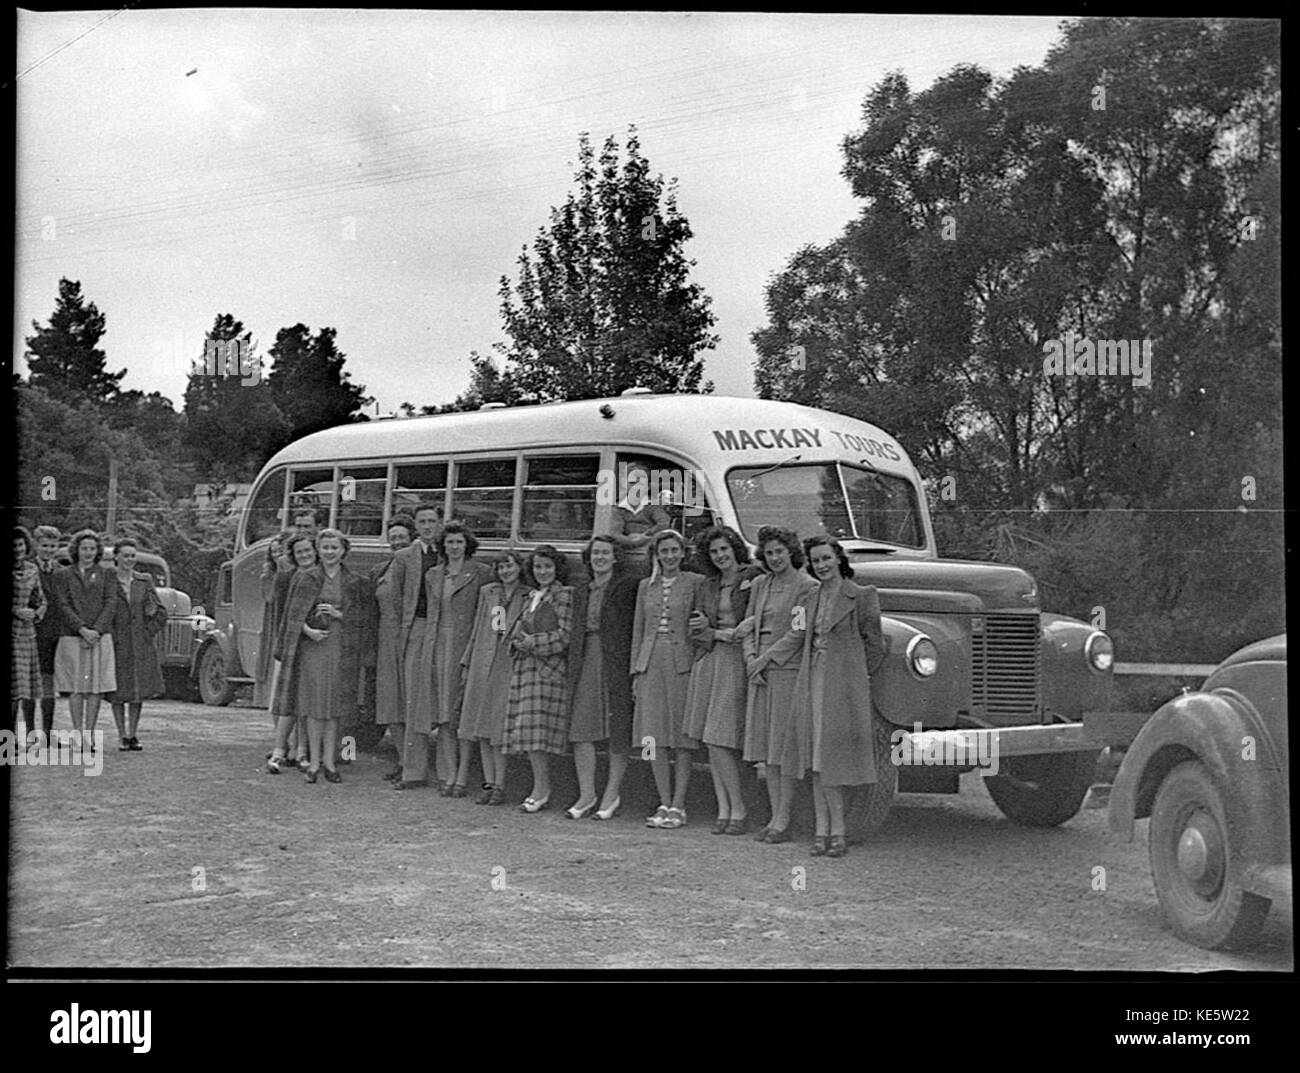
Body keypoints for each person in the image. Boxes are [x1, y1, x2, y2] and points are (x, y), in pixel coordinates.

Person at [781, 537, 884, 858]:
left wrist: (854, 676)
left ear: (839, 559)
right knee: (815, 760)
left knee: (832, 762)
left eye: (826, 558)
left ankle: (836, 831)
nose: (821, 565)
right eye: (815, 561)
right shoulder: (808, 596)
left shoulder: (862, 596)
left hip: (841, 687)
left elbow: (875, 644)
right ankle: (821, 831)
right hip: (811, 681)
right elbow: (796, 635)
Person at [272, 529, 374, 784]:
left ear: (343, 551)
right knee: (315, 707)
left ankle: (330, 761)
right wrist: (308, 631)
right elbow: (292, 617)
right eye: (325, 547)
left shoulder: (354, 581)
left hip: (340, 647)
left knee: (334, 708)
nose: (330, 552)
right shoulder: (306, 578)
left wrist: (340, 615)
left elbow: (364, 619)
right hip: (313, 648)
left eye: (334, 548)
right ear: (319, 550)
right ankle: (314, 762)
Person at [739, 526, 818, 844]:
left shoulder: (806, 586)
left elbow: (798, 632)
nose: (774, 558)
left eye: (779, 551)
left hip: (787, 670)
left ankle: (784, 818)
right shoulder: (760, 584)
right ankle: (774, 816)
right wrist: (750, 662)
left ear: (791, 552)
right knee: (765, 751)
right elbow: (747, 625)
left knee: (782, 749)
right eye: (769, 553)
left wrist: (767, 659)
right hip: (759, 672)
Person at [683, 525, 763, 834]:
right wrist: (716, 632)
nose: (720, 556)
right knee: (710, 739)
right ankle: (725, 808)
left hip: (736, 661)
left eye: (724, 549)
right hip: (710, 660)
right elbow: (696, 628)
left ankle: (739, 810)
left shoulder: (752, 577)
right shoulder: (707, 585)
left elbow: (757, 619)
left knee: (721, 739)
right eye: (714, 551)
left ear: (734, 549)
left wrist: (726, 631)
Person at [630, 529, 704, 829]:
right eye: (664, 551)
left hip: (681, 663)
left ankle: (679, 804)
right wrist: (636, 670)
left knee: (681, 737)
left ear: (683, 553)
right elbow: (638, 630)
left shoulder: (695, 583)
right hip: (651, 663)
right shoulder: (645, 586)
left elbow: (700, 622)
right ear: (656, 555)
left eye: (675, 550)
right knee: (653, 736)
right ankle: (663, 800)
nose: (670, 556)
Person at [564, 534, 639, 820]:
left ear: (615, 557)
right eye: (595, 553)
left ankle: (611, 792)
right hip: (586, 658)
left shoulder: (626, 586)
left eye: (605, 553)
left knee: (618, 726)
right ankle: (586, 794)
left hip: (615, 660)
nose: (600, 558)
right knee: (581, 728)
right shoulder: (582, 588)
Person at [502, 545, 573, 812]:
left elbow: (565, 635)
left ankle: (542, 789)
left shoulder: (563, 595)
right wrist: (519, 642)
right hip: (526, 669)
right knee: (530, 734)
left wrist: (533, 642)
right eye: (538, 567)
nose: (542, 572)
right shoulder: (532, 596)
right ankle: (539, 786)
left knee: (537, 734)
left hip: (547, 670)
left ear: (557, 569)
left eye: (547, 566)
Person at [458, 549, 532, 805]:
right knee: (481, 726)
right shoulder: (488, 592)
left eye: (510, 566)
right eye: (501, 568)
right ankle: (489, 783)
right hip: (483, 660)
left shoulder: (528, 595)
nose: (505, 572)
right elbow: (478, 627)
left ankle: (500, 784)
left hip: (507, 663)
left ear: (519, 568)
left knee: (497, 727)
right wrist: (467, 661)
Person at [425, 521, 493, 795]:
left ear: (468, 545)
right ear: (443, 546)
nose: (454, 547)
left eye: (459, 542)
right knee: (443, 714)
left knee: (460, 713)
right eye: (450, 542)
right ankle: (448, 773)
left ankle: (464, 774)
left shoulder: (481, 573)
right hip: (438, 644)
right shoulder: (433, 574)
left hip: (466, 644)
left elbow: (491, 610)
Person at [388, 503, 442, 790]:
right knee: (413, 700)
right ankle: (413, 770)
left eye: (432, 521)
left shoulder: (449, 552)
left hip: (444, 631)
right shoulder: (404, 557)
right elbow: (396, 600)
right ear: (416, 526)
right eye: (422, 521)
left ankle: (446, 772)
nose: (427, 526)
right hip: (418, 628)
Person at [49, 529, 119, 751]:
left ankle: (89, 734)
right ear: (76, 550)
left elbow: (110, 603)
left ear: (97, 551)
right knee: (77, 688)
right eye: (84, 548)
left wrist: (96, 630)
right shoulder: (63, 575)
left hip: (99, 638)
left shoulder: (108, 574)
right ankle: (78, 732)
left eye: (92, 548)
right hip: (72, 637)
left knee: (95, 688)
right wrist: (82, 629)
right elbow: (62, 605)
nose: (88, 552)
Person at [265, 532, 320, 772]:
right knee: (288, 698)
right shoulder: (290, 576)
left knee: (306, 700)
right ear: (294, 557)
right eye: (300, 552)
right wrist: (303, 630)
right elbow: (287, 614)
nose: (305, 555)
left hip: (314, 644)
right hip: (296, 642)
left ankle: (301, 751)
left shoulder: (319, 575)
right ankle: (279, 750)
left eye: (308, 550)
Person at [107, 538, 166, 751]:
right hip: (117, 642)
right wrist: (110, 635)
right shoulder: (108, 579)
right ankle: (121, 734)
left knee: (137, 689)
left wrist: (147, 632)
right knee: (118, 690)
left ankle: (133, 734)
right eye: (125, 555)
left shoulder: (144, 580)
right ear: (116, 557)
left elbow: (160, 611)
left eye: (133, 555)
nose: (129, 559)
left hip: (140, 642)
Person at [371, 515, 414, 781]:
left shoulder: (418, 568)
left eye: (402, 537)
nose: (397, 541)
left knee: (409, 703)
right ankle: (402, 759)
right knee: (390, 703)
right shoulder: (381, 570)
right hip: (385, 640)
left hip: (409, 639)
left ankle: (412, 763)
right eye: (393, 537)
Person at [24, 525, 63, 743]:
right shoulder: (27, 569)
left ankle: (47, 733)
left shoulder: (60, 570)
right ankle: (30, 732)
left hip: (53, 633)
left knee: (49, 682)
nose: (48, 550)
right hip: (31, 632)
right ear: (36, 545)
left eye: (52, 546)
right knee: (30, 683)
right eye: (44, 545)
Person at [11, 527, 47, 734]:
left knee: (25, 690)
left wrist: (36, 613)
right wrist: (15, 610)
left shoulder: (33, 570)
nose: (17, 549)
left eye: (20, 545)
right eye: (13, 546)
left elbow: (41, 599)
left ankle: (30, 734)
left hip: (26, 635)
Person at [257, 529, 295, 712]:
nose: (277, 555)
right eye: (273, 552)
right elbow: (271, 598)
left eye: (280, 551)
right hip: (273, 618)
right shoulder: (268, 575)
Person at [608, 461, 672, 551]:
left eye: (641, 484)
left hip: (651, 549)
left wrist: (646, 535)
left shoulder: (652, 506)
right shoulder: (619, 509)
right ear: (624, 484)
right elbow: (615, 534)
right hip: (628, 551)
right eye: (632, 483)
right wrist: (632, 542)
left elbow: (664, 523)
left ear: (648, 487)